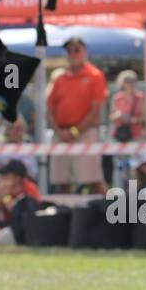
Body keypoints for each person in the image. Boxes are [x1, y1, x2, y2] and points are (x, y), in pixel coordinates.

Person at [46, 36, 107, 195]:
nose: (72, 54)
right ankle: (63, 217)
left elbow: (95, 110)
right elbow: (50, 109)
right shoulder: (58, 77)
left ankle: (112, 216)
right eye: (69, 50)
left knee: (94, 181)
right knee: (62, 182)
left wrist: (75, 132)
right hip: (61, 134)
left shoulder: (95, 75)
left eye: (76, 50)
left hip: (85, 133)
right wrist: (60, 132)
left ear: (84, 52)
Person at [109, 69, 145, 143]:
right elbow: (111, 116)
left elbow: (144, 117)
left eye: (132, 80)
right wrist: (119, 116)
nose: (130, 83)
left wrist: (131, 120)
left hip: (136, 135)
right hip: (119, 135)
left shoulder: (140, 97)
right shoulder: (117, 97)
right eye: (127, 81)